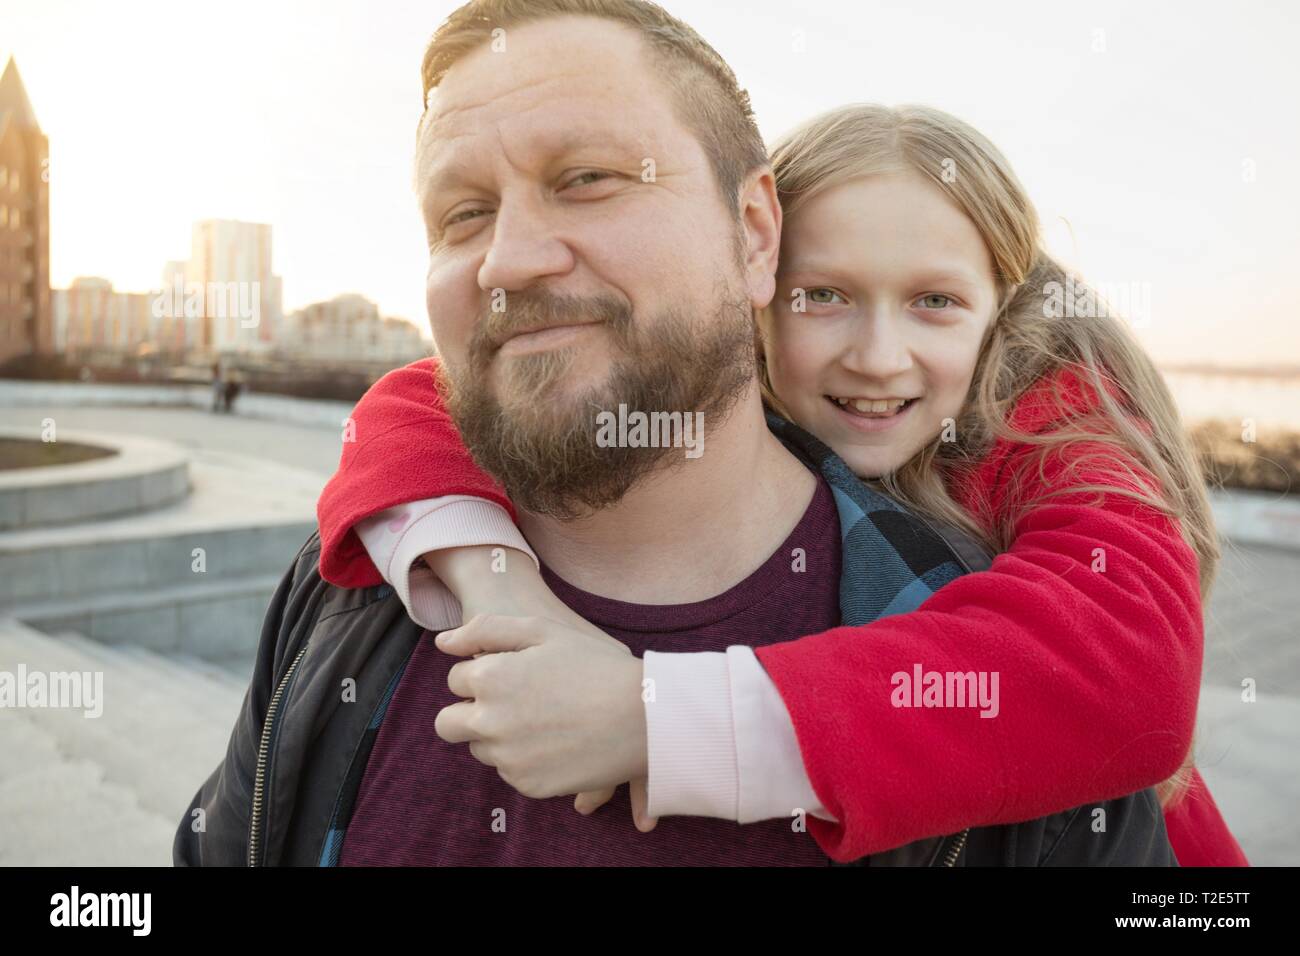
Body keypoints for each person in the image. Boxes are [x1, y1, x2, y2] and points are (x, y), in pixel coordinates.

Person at [175, 0, 1177, 866]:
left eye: (588, 177)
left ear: (751, 234)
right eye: (465, 210)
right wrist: (492, 578)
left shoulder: (1010, 582)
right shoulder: (353, 583)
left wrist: (659, 718)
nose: (511, 260)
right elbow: (409, 401)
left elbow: (1135, 673)